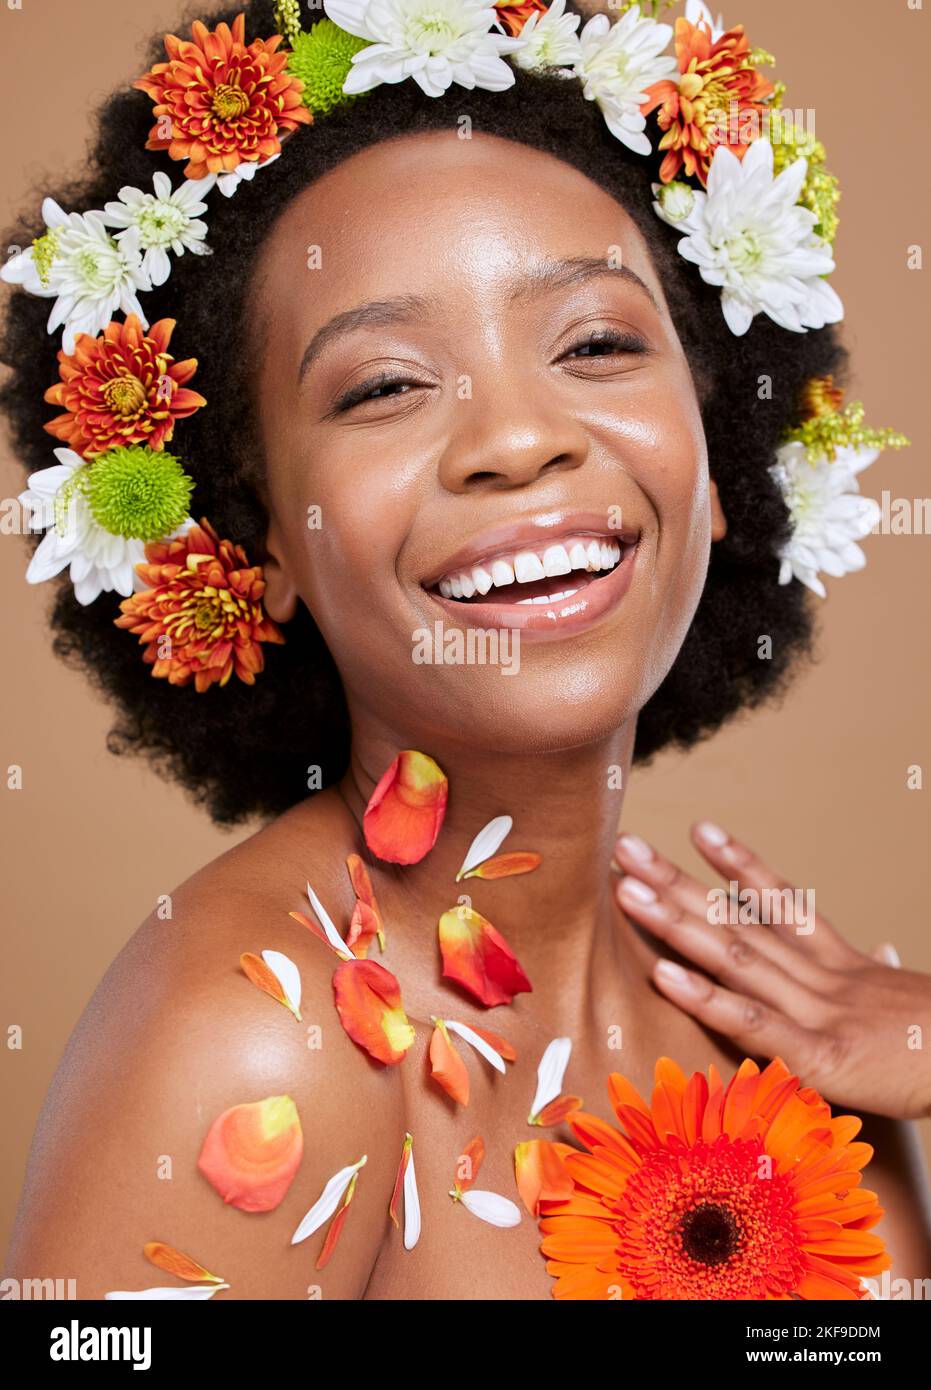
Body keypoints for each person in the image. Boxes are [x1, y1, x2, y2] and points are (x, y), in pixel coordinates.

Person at [1, 0, 928, 1300]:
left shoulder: (820, 1041)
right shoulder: (258, 1041)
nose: (518, 437)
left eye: (597, 343)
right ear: (253, 536)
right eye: (384, 384)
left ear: (721, 456)